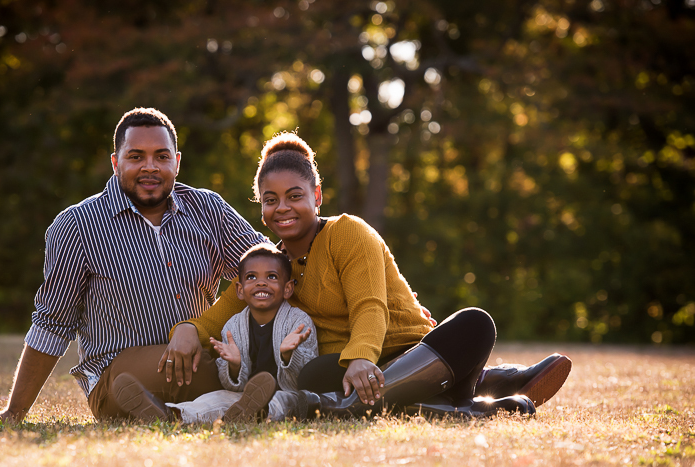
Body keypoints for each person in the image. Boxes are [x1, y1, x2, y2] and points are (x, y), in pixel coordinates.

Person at [164, 132, 571, 419]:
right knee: (313, 373)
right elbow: (220, 314)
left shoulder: (347, 232)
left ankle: (350, 407)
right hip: (348, 370)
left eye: (294, 196)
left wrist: (362, 358)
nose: (282, 209)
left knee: (474, 322)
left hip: (406, 352)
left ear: (316, 195)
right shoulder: (274, 266)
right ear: (261, 208)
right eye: (271, 201)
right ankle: (463, 404)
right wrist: (187, 329)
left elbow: (369, 307)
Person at [0, 107, 265, 424]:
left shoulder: (208, 209)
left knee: (245, 361)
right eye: (136, 156)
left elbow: (268, 270)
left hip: (198, 359)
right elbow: (53, 322)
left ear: (177, 162)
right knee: (236, 371)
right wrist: (14, 412)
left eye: (161, 157)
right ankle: (255, 398)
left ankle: (180, 416)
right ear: (115, 162)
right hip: (117, 378)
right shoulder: (77, 226)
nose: (150, 167)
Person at [112, 243, 318, 422]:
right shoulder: (233, 326)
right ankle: (171, 414)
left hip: (287, 392)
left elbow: (306, 377)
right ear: (239, 289)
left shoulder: (298, 323)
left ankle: (258, 412)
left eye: (272, 277)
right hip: (245, 395)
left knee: (281, 401)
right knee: (214, 399)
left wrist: (289, 354)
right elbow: (233, 386)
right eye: (251, 277)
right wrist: (235, 367)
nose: (261, 283)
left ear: (288, 288)